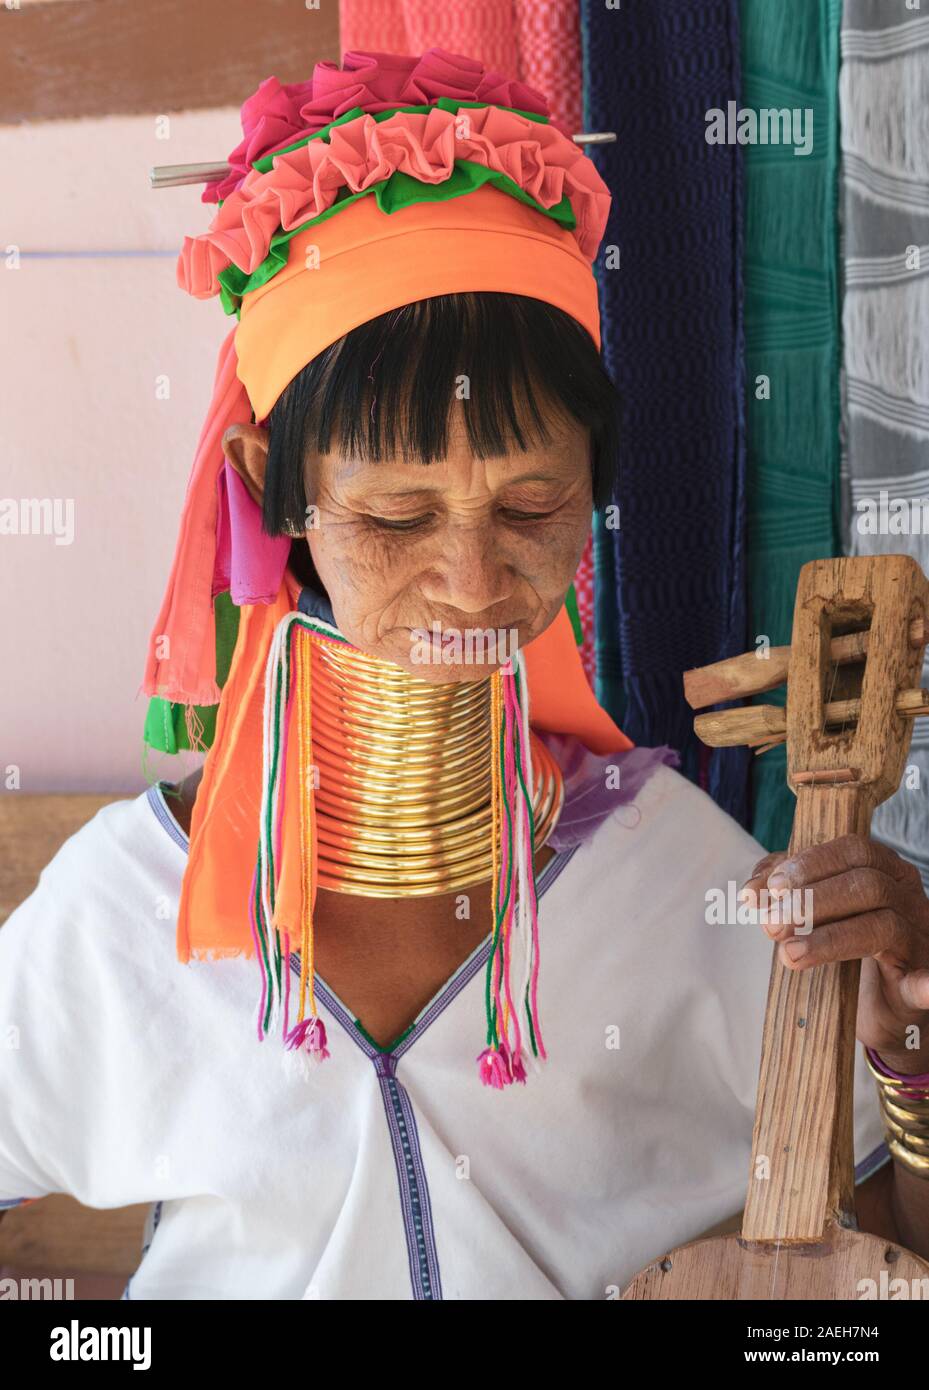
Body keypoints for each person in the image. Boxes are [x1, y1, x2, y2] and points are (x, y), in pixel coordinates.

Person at [2, 47, 929, 1302]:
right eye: (394, 514)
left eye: (531, 501)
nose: (474, 579)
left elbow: (877, 1269)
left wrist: (907, 1045)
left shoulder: (680, 880)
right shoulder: (123, 916)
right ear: (268, 481)